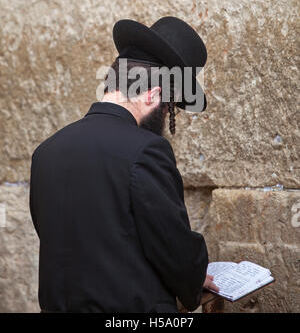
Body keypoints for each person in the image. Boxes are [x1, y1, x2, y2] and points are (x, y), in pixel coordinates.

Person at [29, 16, 218, 313]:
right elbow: (173, 246)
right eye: (168, 106)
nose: (167, 117)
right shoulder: (147, 151)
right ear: (153, 94)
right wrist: (194, 279)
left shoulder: (46, 152)